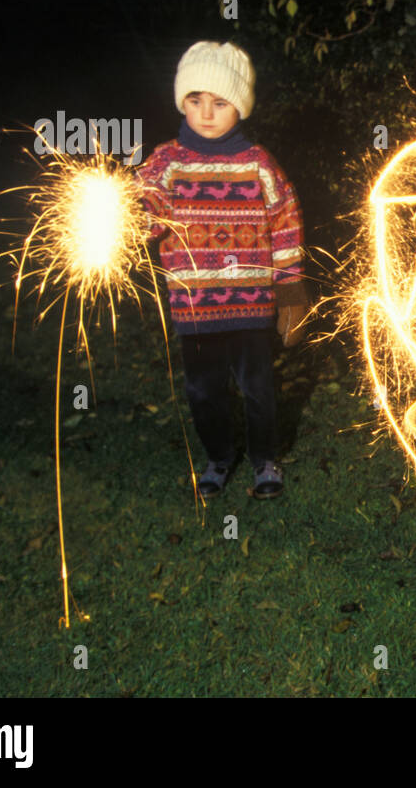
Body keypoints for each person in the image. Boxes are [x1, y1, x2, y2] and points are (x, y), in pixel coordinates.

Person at [135, 40, 308, 500]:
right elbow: (146, 208)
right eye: (195, 100)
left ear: (242, 107)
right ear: (181, 101)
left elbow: (286, 222)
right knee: (203, 391)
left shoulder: (258, 164)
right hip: (194, 307)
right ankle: (218, 457)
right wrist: (126, 218)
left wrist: (291, 291)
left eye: (220, 102)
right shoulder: (166, 163)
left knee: (258, 390)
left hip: (251, 305)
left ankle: (264, 458)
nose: (206, 113)